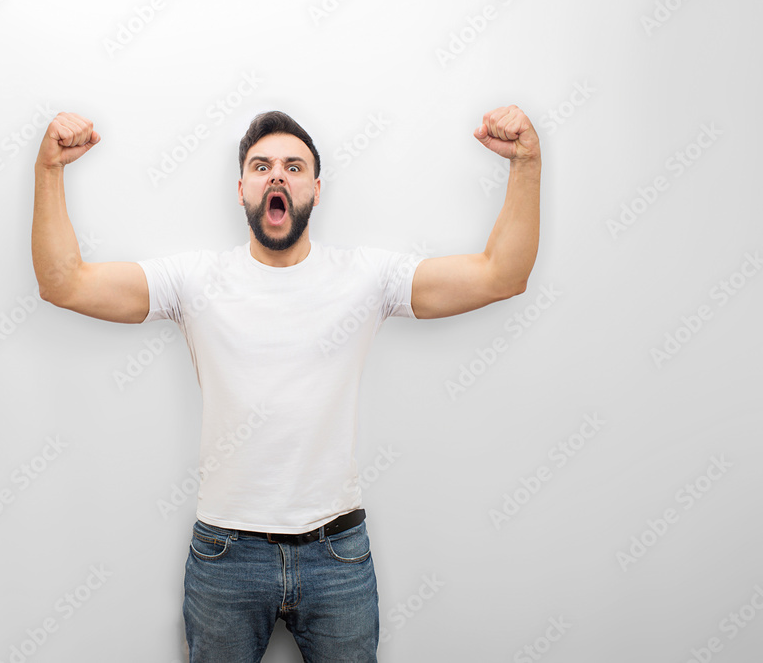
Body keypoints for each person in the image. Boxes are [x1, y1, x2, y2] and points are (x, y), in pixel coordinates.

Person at [31, 106, 540, 662]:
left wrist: (527, 163)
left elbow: (501, 274)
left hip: (337, 554)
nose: (277, 175)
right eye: (262, 165)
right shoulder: (194, 281)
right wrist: (50, 170)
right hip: (226, 555)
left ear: (316, 190)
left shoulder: (367, 278)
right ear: (242, 188)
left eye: (294, 167)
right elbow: (65, 283)